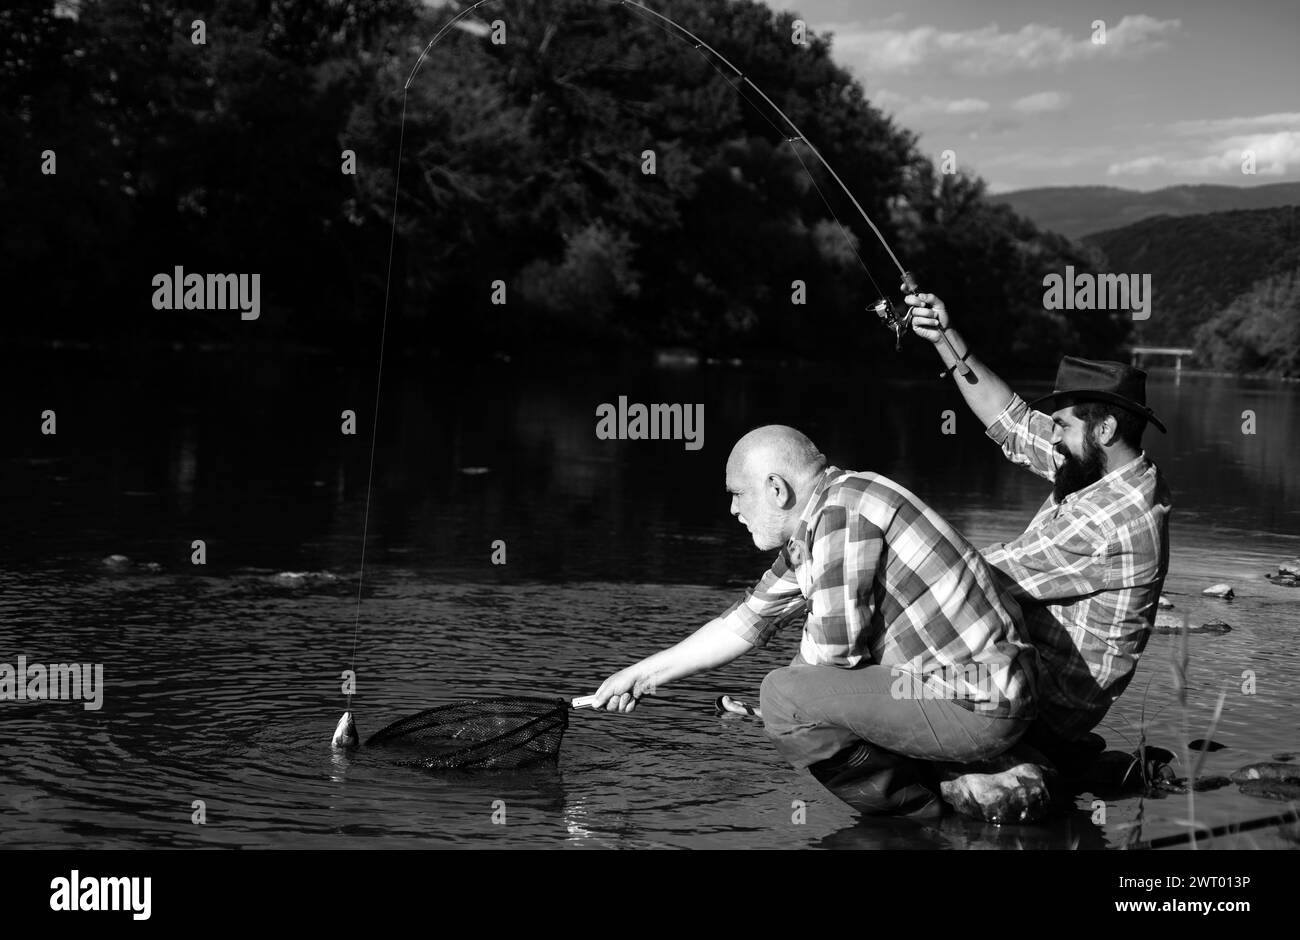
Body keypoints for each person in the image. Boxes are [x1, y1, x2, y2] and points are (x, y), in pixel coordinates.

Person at [587, 425, 1040, 817]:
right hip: (981, 692)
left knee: (783, 696)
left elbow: (833, 653)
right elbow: (744, 622)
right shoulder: (828, 513)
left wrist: (786, 713)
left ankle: (917, 815)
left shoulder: (841, 515)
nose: (732, 510)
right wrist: (640, 675)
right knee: (793, 693)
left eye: (737, 495)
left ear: (776, 488)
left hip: (975, 705)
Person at [906, 291, 1172, 769]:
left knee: (919, 606)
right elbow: (1012, 423)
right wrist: (945, 339)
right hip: (1036, 671)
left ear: (1104, 429)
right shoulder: (1108, 467)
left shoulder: (1110, 518)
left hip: (1047, 706)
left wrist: (872, 559)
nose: (1051, 435)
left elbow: (973, 575)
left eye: (1062, 426)